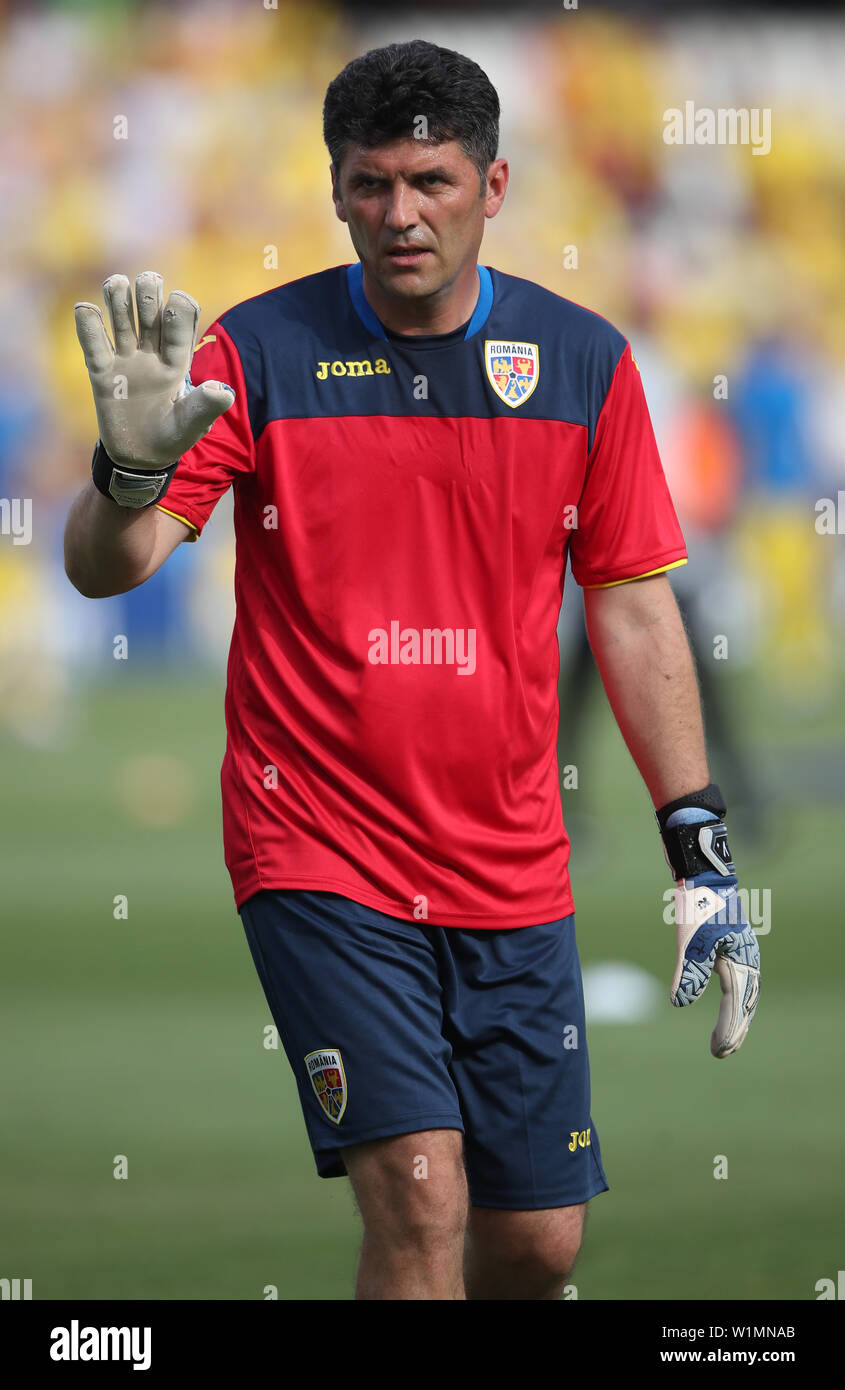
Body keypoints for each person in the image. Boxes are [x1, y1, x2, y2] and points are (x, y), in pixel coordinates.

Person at [63, 39, 759, 1301]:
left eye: (430, 180)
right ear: (333, 189)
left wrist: (696, 850)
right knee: (422, 1201)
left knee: (537, 1241)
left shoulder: (583, 363)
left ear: (492, 187)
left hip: (506, 861)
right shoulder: (250, 356)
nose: (400, 214)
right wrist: (124, 472)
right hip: (317, 848)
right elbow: (109, 568)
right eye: (371, 182)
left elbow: (639, 613)